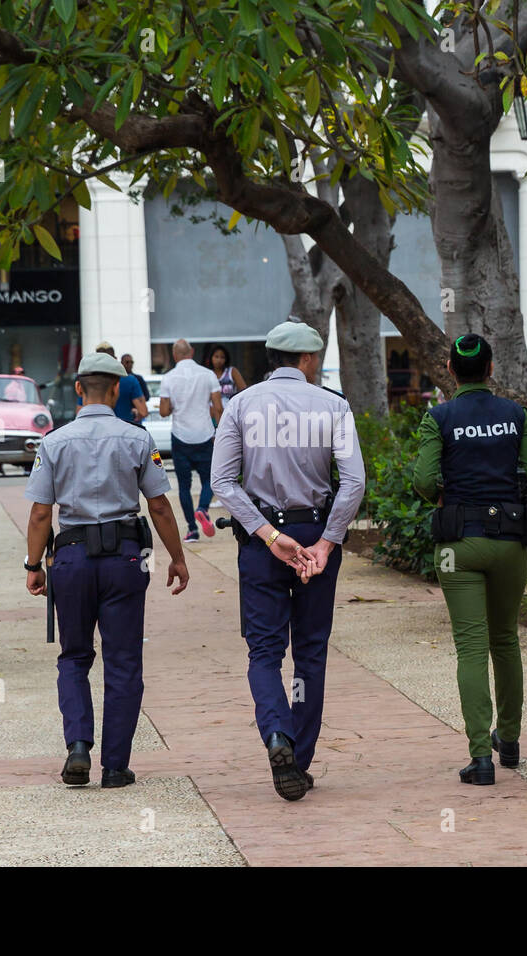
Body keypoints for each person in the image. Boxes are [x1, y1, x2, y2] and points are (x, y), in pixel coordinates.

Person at [412, 334, 527, 785]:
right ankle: (509, 740)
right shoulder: (514, 416)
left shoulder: (439, 418)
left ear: (450, 368)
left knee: (471, 648)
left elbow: (424, 481)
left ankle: (480, 760)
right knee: (505, 641)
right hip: (510, 543)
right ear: (490, 369)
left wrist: (442, 489)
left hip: (458, 547)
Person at [209, 318, 366, 802]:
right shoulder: (333, 406)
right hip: (315, 530)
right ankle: (298, 757)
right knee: (311, 650)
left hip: (263, 541)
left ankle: (276, 733)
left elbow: (223, 483)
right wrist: (326, 542)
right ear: (309, 360)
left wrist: (267, 533)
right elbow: (354, 482)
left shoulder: (240, 405)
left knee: (264, 651)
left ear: (271, 357)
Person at [24, 351, 189, 789]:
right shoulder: (137, 439)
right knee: (123, 662)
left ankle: (78, 745)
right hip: (125, 560)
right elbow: (158, 504)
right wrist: (177, 556)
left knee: (74, 657)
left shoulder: (53, 442)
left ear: (78, 388)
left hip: (72, 559)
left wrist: (33, 565)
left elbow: (41, 514)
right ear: (117, 390)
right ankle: (116, 766)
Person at [161, 339, 223, 541]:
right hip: (205, 435)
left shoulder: (169, 378)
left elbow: (163, 411)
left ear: (174, 355)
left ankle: (191, 530)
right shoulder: (208, 375)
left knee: (184, 485)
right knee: (209, 479)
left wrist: (173, 406)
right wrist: (221, 432)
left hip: (181, 437)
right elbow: (218, 407)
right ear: (192, 352)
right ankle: (203, 508)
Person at [90, 343, 147, 427]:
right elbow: (143, 412)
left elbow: (80, 411)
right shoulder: (130, 380)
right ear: (115, 359)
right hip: (125, 431)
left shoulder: (89, 382)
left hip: (98, 432)